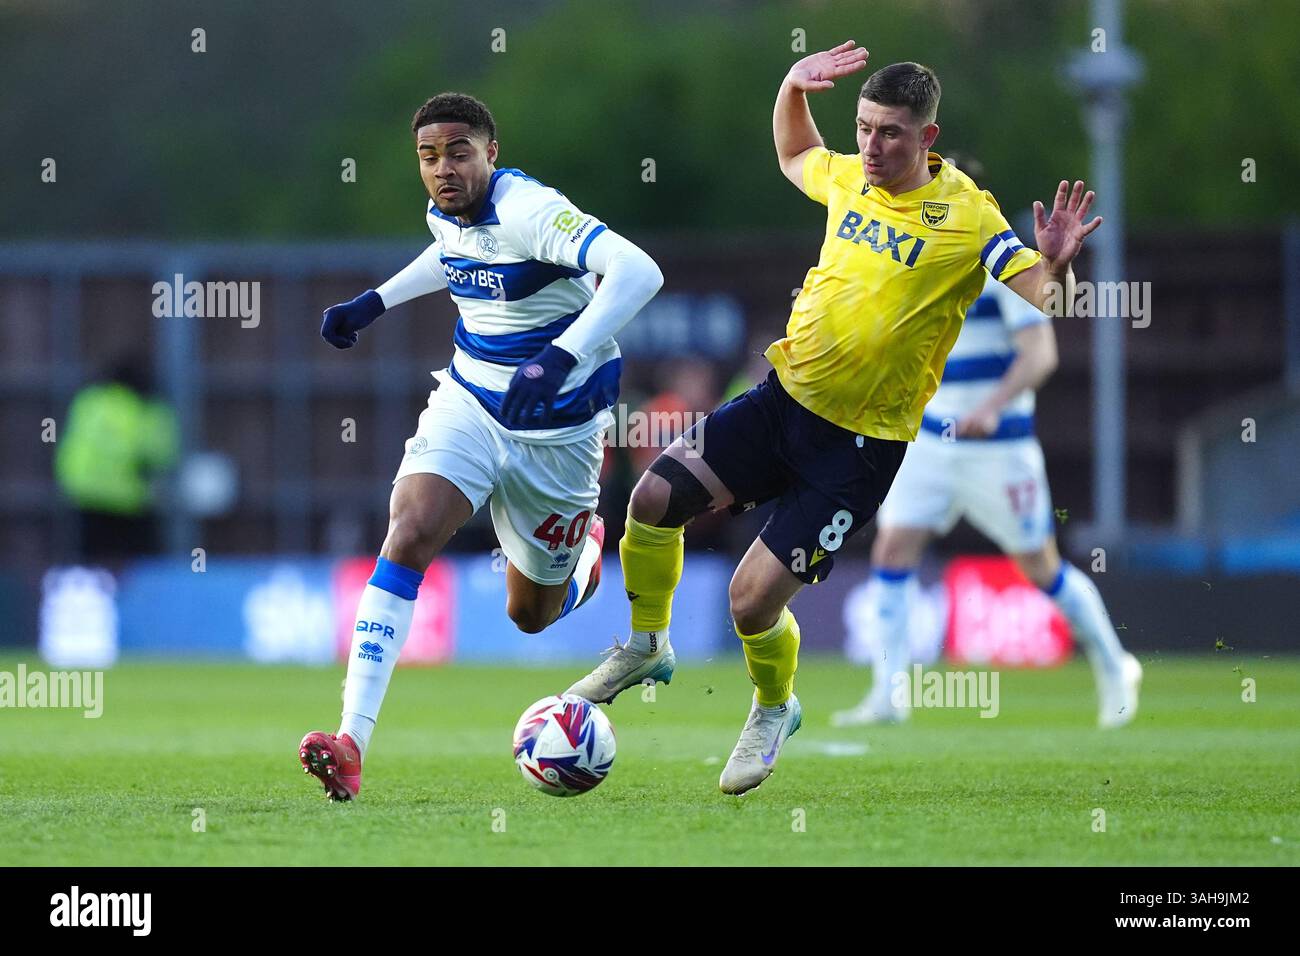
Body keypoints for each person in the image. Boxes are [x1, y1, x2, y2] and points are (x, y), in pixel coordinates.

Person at [566, 42, 1103, 795]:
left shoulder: (967, 216)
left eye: (890, 132)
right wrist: (790, 84)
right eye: (863, 127)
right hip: (780, 403)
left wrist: (1056, 262)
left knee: (749, 601)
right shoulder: (849, 177)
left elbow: (1043, 299)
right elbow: (795, 152)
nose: (871, 146)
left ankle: (772, 708)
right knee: (652, 498)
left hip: (858, 448)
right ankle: (648, 644)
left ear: (928, 139)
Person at [299, 92, 664, 800]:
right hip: (469, 403)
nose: (443, 169)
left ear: (491, 154)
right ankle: (351, 741)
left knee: (529, 616)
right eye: (429, 157)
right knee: (408, 530)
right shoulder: (446, 209)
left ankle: (587, 552)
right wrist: (372, 302)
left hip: (559, 433)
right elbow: (455, 253)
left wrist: (561, 354)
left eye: (459, 152)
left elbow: (639, 272)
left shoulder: (530, 210)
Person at [831, 155, 1142, 730]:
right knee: (893, 548)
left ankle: (1115, 664)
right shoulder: (915, 263)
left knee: (1040, 568)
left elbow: (1041, 352)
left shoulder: (998, 265)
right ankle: (889, 694)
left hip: (999, 446)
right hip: (928, 440)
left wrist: (990, 407)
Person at [54, 356, 178, 564]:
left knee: (92, 559)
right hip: (127, 500)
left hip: (83, 493)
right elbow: (159, 457)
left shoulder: (90, 400)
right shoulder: (145, 409)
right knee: (139, 563)